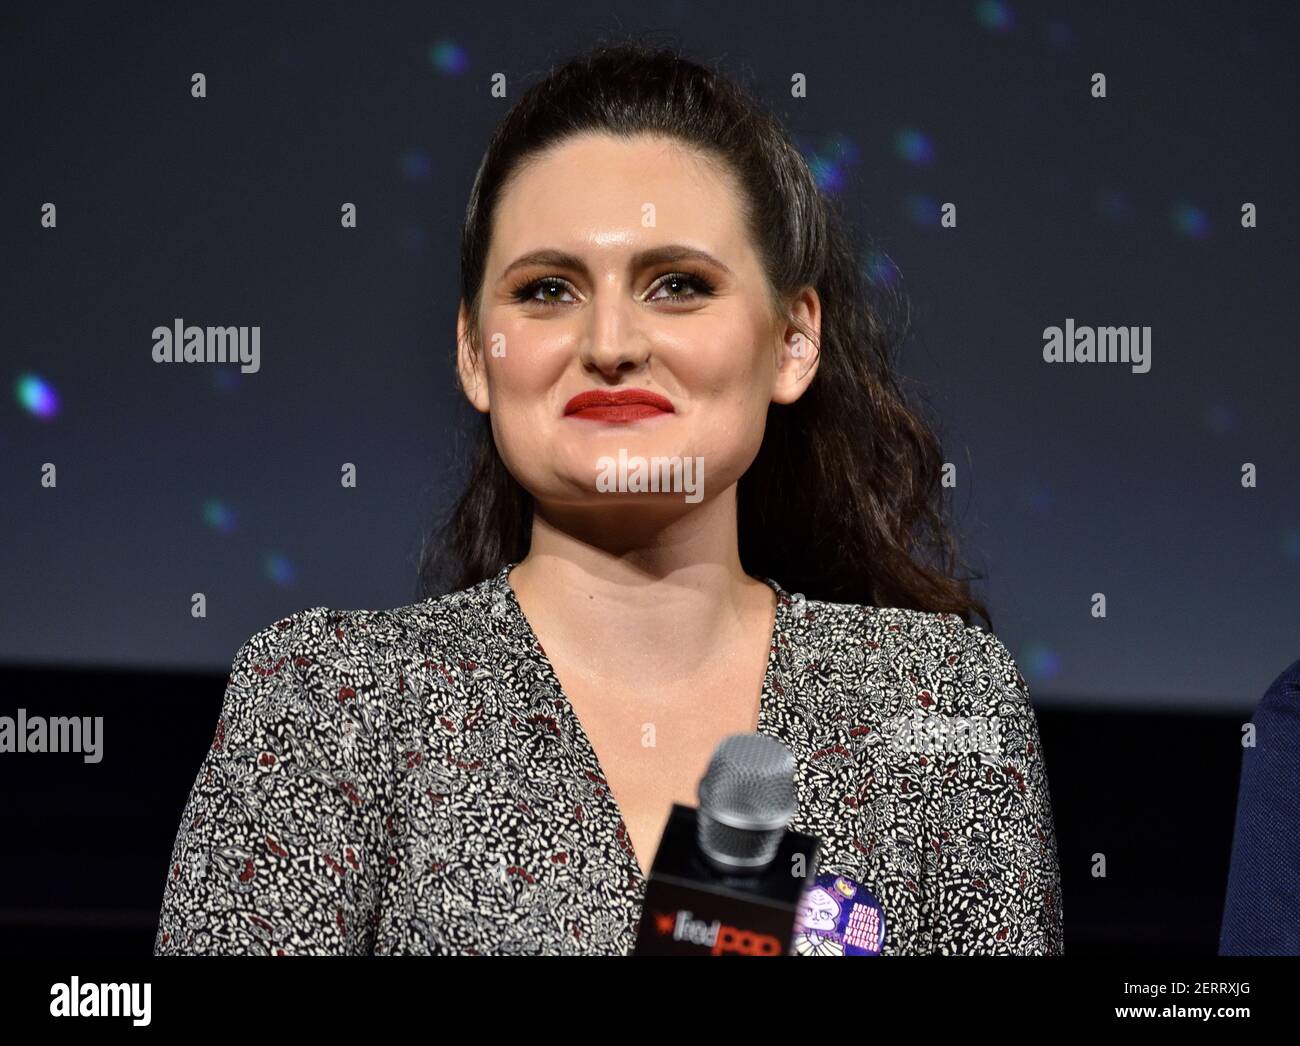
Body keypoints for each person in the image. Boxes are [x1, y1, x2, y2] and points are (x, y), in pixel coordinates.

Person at [154, 39, 1062, 956]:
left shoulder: (938, 704)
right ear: (477, 353)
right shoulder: (332, 702)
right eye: (548, 290)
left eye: (678, 286)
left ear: (793, 340)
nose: (612, 341)